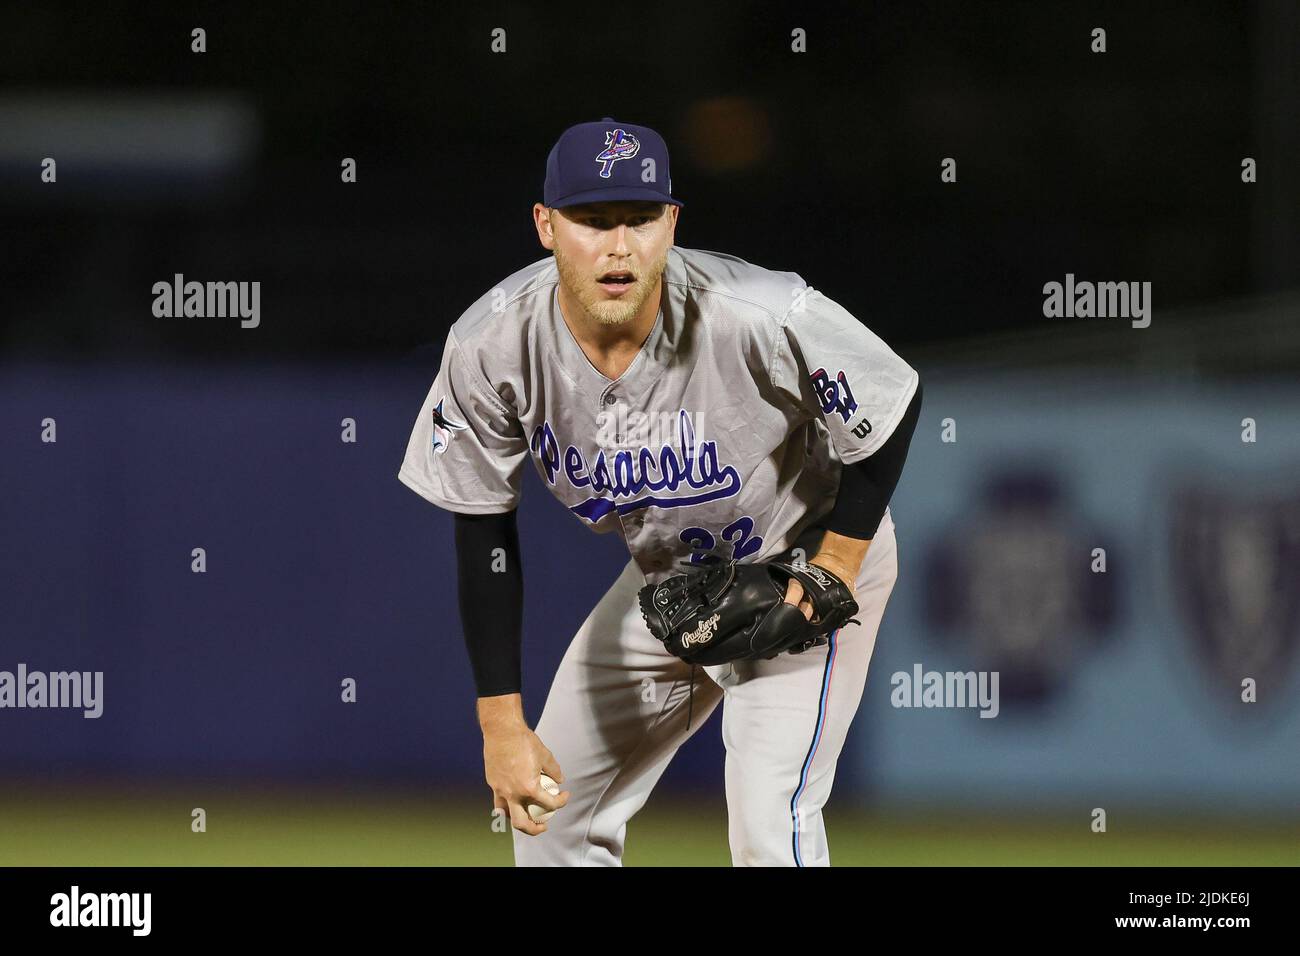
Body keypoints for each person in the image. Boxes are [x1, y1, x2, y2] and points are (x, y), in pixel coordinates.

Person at [399, 118, 922, 866]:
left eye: (640, 219)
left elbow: (891, 398)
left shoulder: (757, 312)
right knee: (553, 807)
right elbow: (482, 527)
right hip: (671, 581)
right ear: (545, 226)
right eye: (592, 220)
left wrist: (838, 561)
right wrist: (500, 725)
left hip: (801, 568)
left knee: (771, 822)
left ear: (671, 223)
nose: (619, 245)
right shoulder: (492, 344)